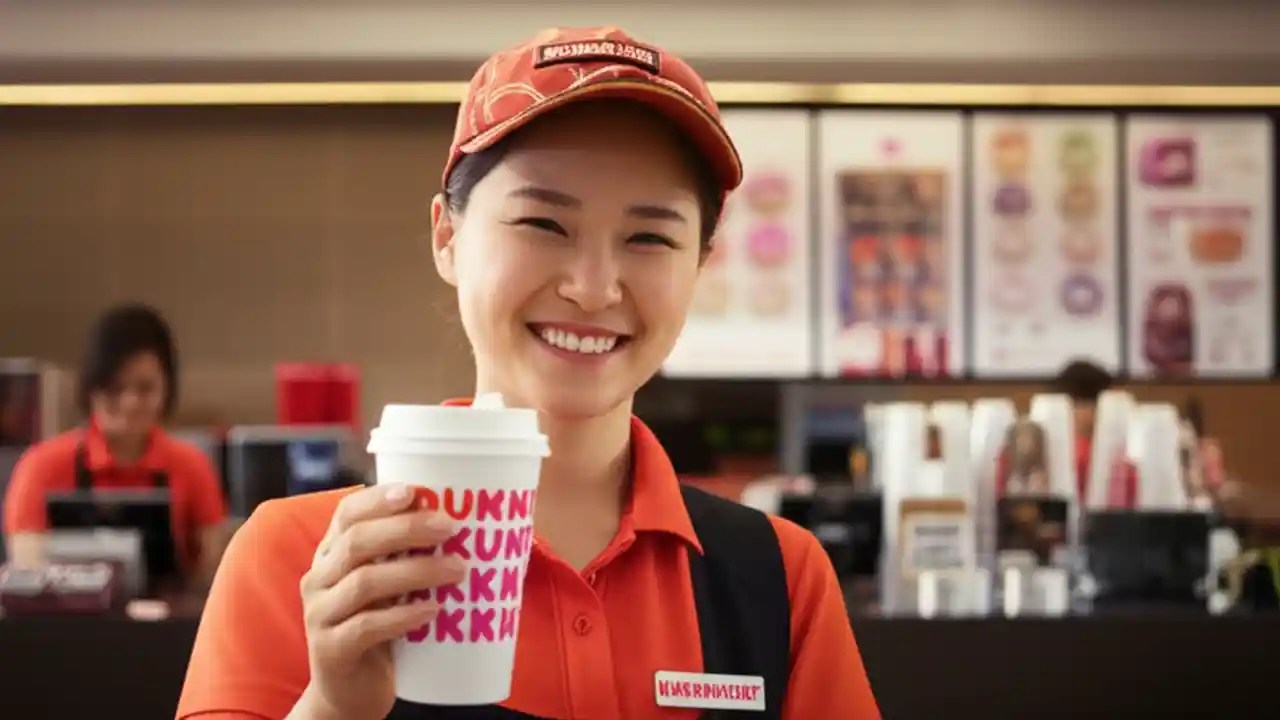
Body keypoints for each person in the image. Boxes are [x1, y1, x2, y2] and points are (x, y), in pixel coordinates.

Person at [177, 26, 880, 720]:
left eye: (650, 238)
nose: (594, 287)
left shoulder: (778, 578)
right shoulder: (302, 560)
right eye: (544, 224)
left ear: (699, 265)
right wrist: (332, 705)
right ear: (447, 238)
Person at [2, 303, 228, 592]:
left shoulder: (192, 466)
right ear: (91, 389)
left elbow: (215, 575)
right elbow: (28, 570)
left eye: (145, 388)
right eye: (114, 389)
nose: (130, 403)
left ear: (167, 389)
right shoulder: (41, 466)